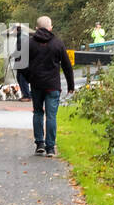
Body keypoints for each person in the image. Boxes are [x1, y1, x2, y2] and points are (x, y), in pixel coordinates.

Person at [26, 15, 75, 157]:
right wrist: (71, 85)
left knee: (37, 112)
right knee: (51, 116)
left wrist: (29, 77)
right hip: (53, 85)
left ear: (36, 28)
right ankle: (50, 147)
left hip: (36, 84)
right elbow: (67, 66)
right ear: (50, 27)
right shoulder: (58, 43)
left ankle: (39, 143)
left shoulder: (29, 43)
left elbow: (21, 65)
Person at [8, 23, 32, 100]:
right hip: (23, 60)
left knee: (22, 78)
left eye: (13, 30)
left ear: (16, 30)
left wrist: (13, 55)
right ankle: (26, 94)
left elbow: (19, 50)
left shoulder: (21, 38)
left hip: (23, 61)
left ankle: (27, 95)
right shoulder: (22, 36)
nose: (12, 32)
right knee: (19, 77)